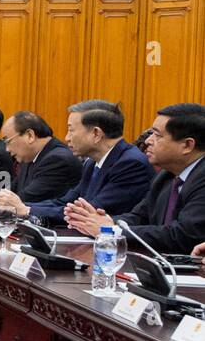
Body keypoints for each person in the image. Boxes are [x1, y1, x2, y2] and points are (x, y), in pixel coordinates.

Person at [66, 103, 205, 254]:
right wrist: (107, 222)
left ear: (187, 145)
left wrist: (112, 231)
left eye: (157, 135)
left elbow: (182, 235)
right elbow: (139, 216)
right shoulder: (166, 175)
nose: (147, 141)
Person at [0, 100, 152, 225]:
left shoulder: (131, 164)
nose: (66, 138)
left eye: (71, 130)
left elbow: (88, 213)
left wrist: (26, 209)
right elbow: (65, 202)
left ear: (96, 134)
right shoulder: (91, 163)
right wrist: (23, 208)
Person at [0, 111, 81, 203]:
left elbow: (24, 199)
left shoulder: (58, 160)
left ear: (30, 136)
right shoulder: (29, 157)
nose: (7, 149)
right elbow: (9, 191)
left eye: (8, 141)